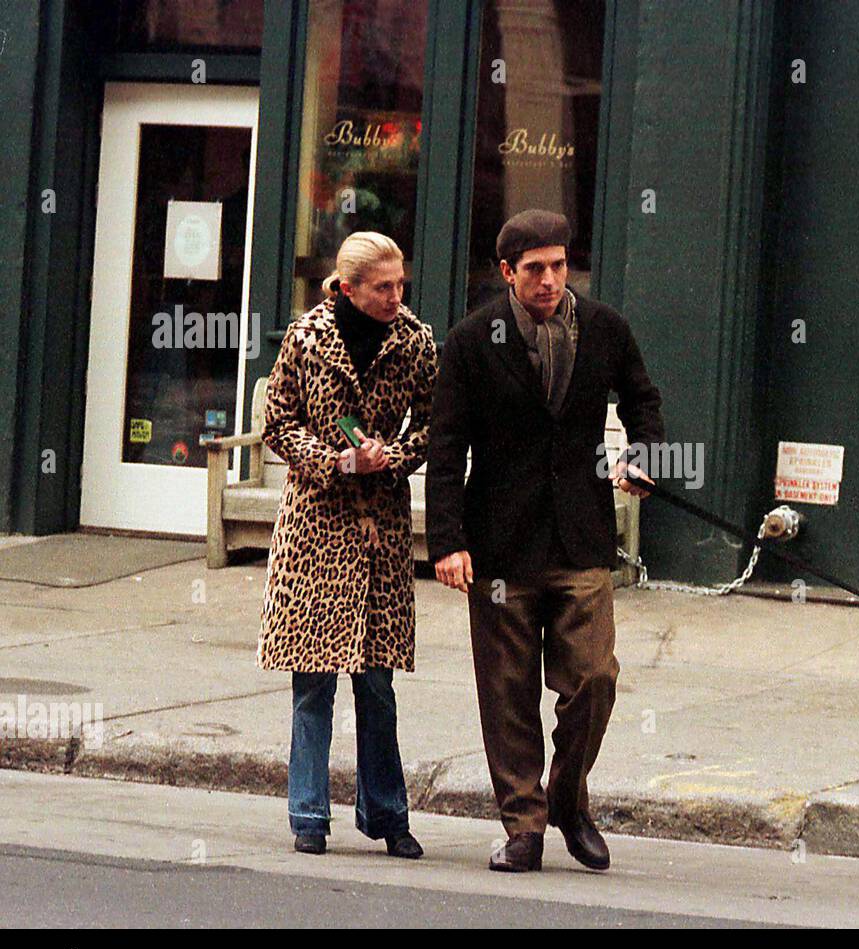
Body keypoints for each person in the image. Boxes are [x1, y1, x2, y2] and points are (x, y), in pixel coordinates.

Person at [425, 209, 665, 872]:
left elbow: (643, 400)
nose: (550, 279)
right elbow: (445, 448)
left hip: (581, 534)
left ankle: (568, 797)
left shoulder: (605, 327)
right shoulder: (472, 340)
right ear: (507, 272)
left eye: (559, 266)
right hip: (499, 543)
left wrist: (644, 455)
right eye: (535, 269)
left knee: (594, 677)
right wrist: (446, 540)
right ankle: (523, 824)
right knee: (507, 692)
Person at [258, 231, 437, 859]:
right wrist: (331, 460)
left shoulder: (414, 341)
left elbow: (437, 420)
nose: (395, 296)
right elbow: (276, 422)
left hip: (379, 526)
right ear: (347, 288)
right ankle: (308, 814)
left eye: (400, 285)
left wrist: (391, 455)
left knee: (376, 683)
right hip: (315, 526)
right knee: (313, 683)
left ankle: (387, 814)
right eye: (382, 287)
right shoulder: (305, 340)